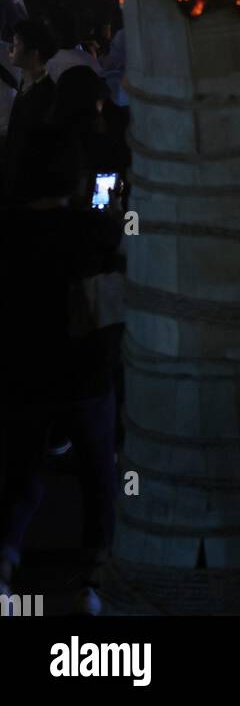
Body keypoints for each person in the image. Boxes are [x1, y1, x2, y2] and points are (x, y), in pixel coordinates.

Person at [0, 127, 124, 614]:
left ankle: (5, 568)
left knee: (22, 470)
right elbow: (120, 244)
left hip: (21, 373)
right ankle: (93, 580)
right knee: (99, 476)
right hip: (85, 374)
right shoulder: (91, 227)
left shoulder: (6, 227)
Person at [4, 19, 57, 201]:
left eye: (17, 44)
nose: (12, 49)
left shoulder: (45, 95)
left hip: (26, 190)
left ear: (34, 54)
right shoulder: (28, 85)